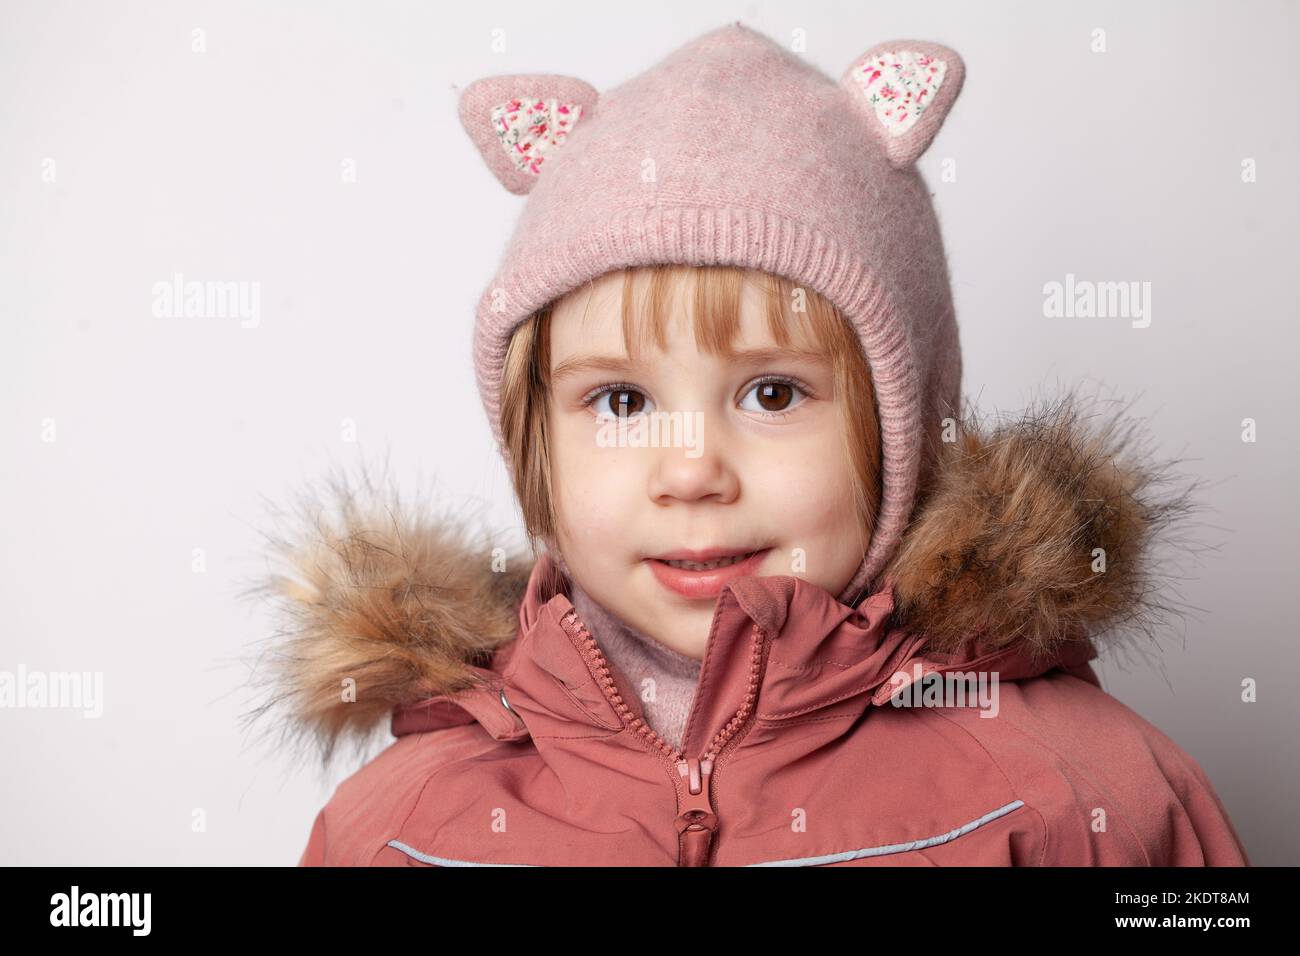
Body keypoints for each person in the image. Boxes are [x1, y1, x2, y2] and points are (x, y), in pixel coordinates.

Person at [253, 22, 1249, 866]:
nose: (690, 469)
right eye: (621, 401)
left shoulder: (1084, 797)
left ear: (901, 435)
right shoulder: (403, 825)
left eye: (773, 391)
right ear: (533, 447)